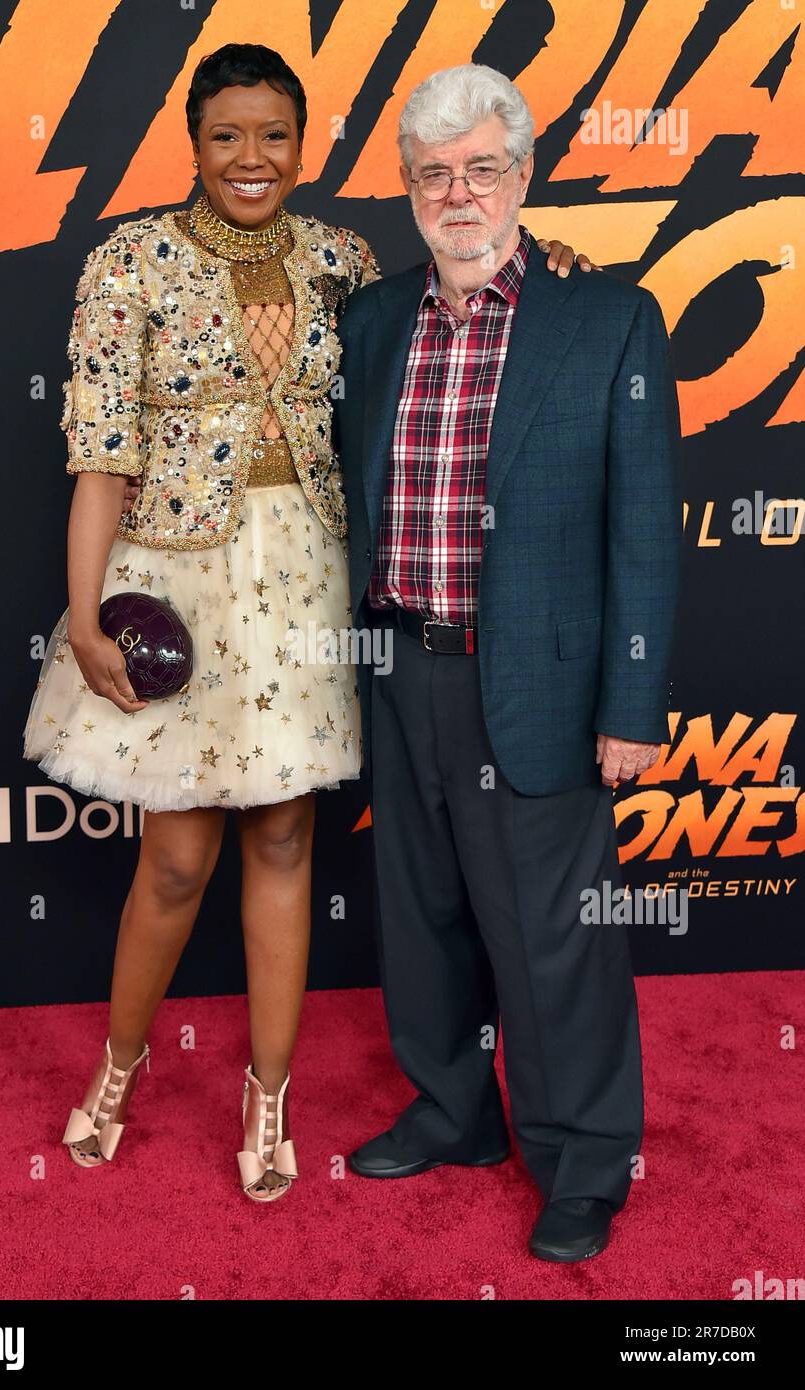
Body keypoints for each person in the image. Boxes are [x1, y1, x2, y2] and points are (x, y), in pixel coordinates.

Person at [24, 43, 589, 1204]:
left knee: (283, 841)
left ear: (304, 142)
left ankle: (268, 1096)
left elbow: (466, 292)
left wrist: (560, 264)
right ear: (192, 140)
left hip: (306, 590)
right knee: (176, 856)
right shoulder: (129, 259)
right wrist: (83, 617)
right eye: (226, 134)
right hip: (174, 585)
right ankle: (119, 1070)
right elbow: (97, 457)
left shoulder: (344, 261)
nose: (250, 157)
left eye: (272, 134)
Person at [334, 63, 682, 1259]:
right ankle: (454, 1110)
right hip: (401, 668)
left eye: (482, 168)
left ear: (523, 178)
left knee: (551, 933)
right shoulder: (372, 319)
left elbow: (642, 531)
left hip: (533, 677)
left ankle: (584, 1156)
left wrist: (629, 702)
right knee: (420, 912)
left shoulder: (607, 316)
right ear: (406, 188)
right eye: (432, 174)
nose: (458, 193)